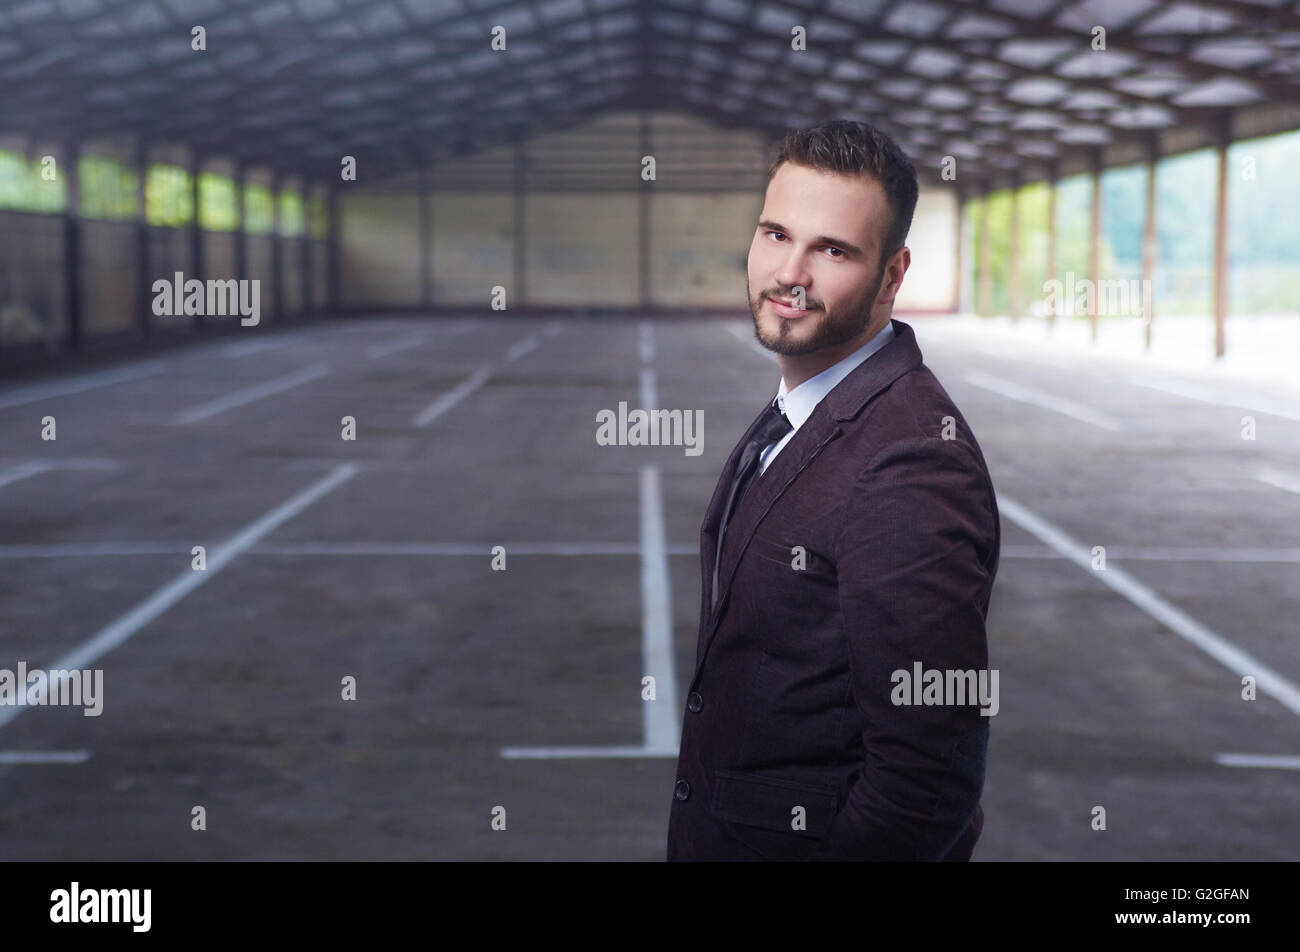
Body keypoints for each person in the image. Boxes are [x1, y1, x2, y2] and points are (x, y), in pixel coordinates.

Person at [666, 119, 1001, 861]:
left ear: (891, 274)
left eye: (834, 249)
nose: (791, 272)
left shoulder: (911, 460)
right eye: (776, 234)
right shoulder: (803, 406)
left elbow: (928, 770)